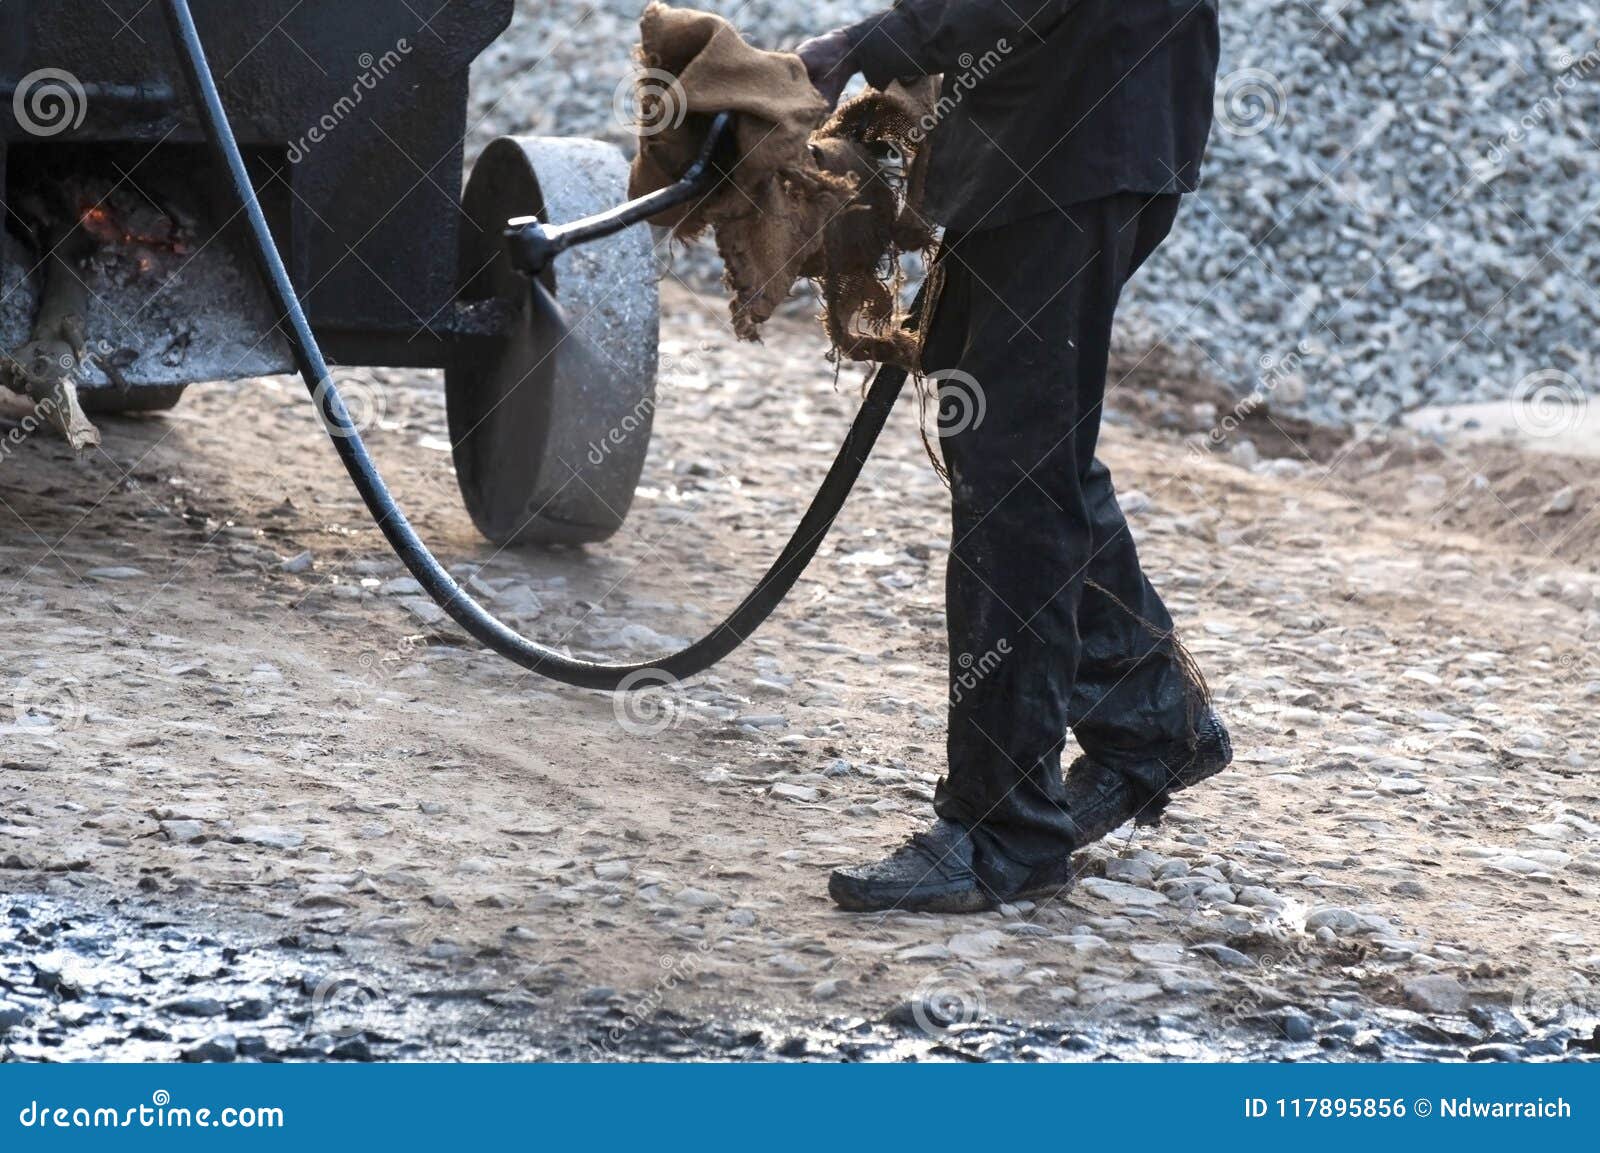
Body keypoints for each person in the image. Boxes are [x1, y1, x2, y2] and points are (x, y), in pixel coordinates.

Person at [795, 1, 1232, 913]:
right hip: (1060, 134)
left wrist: (872, 45)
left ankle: (1003, 834)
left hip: (1075, 137)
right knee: (1016, 448)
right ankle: (1151, 714)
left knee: (1015, 474)